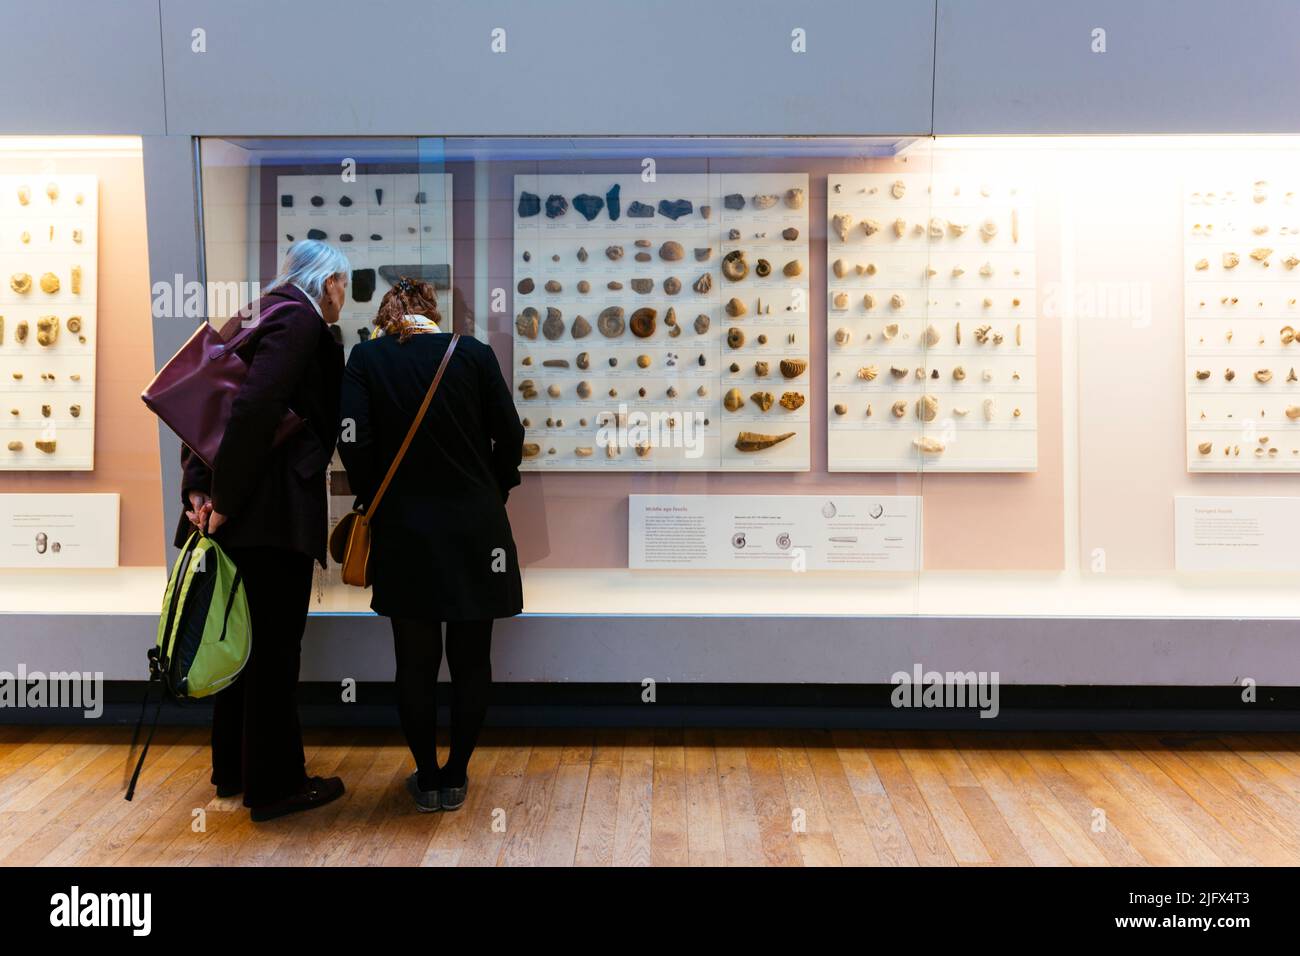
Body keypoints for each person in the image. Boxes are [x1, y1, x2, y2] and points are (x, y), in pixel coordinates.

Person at [337, 276, 523, 812]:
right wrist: (498, 486)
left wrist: (375, 498)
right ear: (433, 312)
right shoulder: (473, 354)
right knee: (472, 660)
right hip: (475, 529)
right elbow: (509, 433)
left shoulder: (366, 359)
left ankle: (426, 775)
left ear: (387, 314)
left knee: (414, 663)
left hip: (404, 530)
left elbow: (351, 437)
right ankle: (458, 775)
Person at [178, 239, 349, 822]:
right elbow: (252, 410)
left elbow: (203, 401)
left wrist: (198, 487)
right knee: (275, 651)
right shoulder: (301, 320)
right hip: (269, 514)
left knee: (240, 645)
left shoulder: (255, 311)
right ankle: (275, 787)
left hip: (237, 511)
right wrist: (225, 496)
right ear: (329, 283)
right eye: (344, 287)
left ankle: (233, 772)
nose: (343, 299)